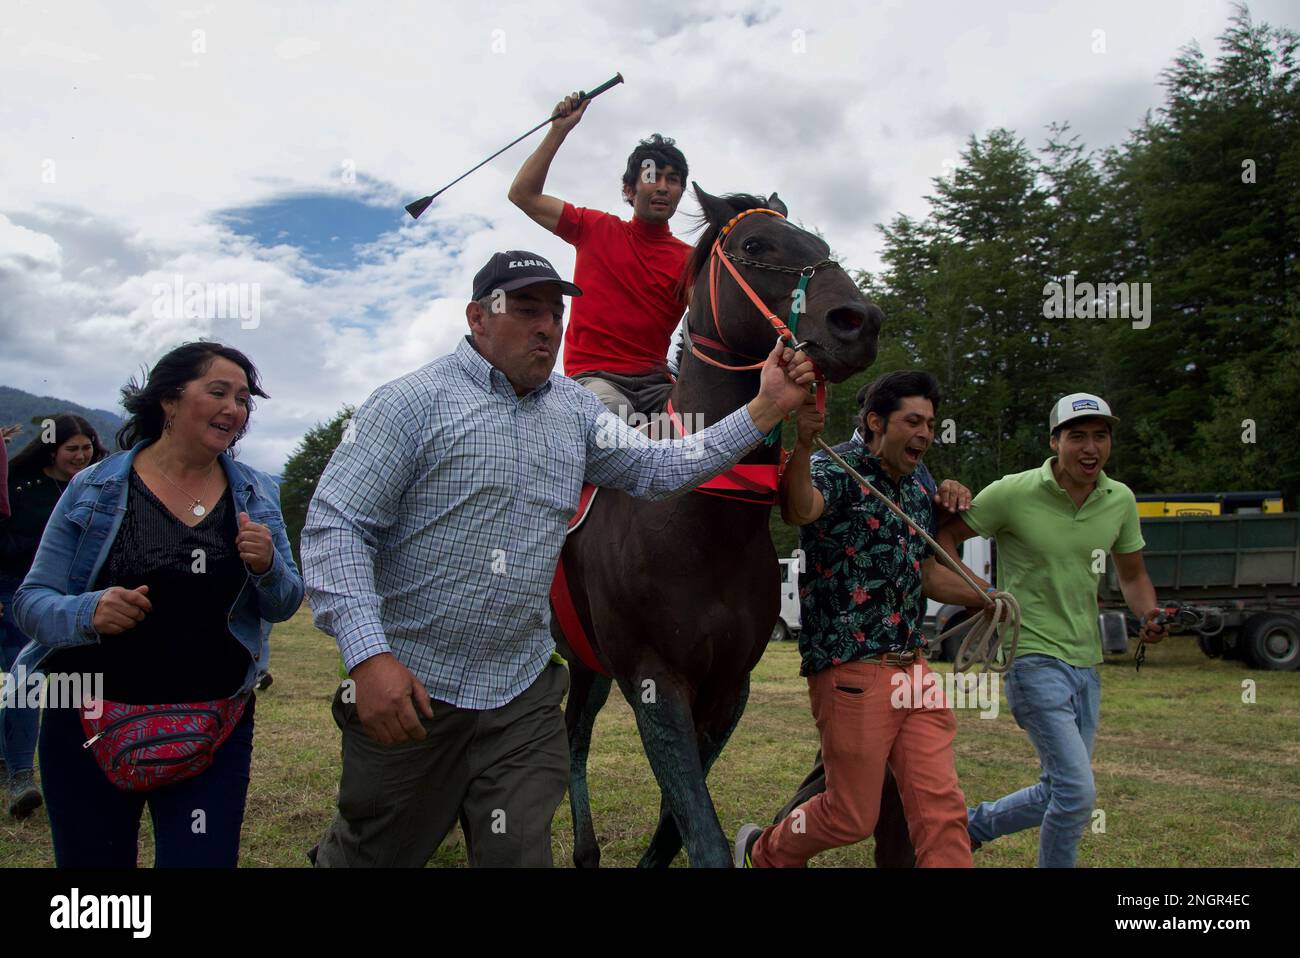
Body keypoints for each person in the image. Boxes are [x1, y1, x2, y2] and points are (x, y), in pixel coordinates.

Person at [303, 250, 817, 868]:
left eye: (556, 311)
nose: (548, 325)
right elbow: (336, 527)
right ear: (477, 317)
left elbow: (660, 469)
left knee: (519, 852)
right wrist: (368, 657)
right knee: (374, 853)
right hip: (413, 694)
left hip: (522, 699)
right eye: (526, 310)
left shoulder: (574, 410)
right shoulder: (410, 404)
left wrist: (765, 409)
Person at [13, 342, 303, 867]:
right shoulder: (93, 488)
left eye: (243, 399)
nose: (234, 409)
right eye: (218, 392)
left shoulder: (256, 494)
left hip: (214, 726)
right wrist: (88, 611)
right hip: (87, 724)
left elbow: (283, 604)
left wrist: (268, 566)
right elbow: (31, 603)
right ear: (169, 401)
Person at [735, 371, 989, 868]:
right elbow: (801, 509)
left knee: (943, 810)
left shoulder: (918, 487)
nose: (926, 434)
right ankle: (763, 853)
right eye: (913, 421)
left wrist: (988, 597)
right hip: (852, 669)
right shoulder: (837, 467)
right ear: (876, 421)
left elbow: (928, 574)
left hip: (914, 669)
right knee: (850, 815)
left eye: (932, 424)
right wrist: (804, 445)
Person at [937, 393, 1167, 867]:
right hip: (1032, 656)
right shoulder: (1013, 492)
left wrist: (1148, 616)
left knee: (1059, 789)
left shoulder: (1119, 498)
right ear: (1054, 441)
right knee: (1078, 793)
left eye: (1100, 436)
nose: (1090, 447)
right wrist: (981, 591)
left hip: (1087, 662)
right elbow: (944, 538)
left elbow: (1132, 575)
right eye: (1077, 436)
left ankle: (968, 827)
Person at [509, 92, 691, 420]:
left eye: (673, 180)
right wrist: (559, 129)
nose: (663, 186)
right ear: (629, 190)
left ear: (680, 192)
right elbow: (523, 194)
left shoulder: (692, 261)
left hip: (658, 385)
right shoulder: (594, 227)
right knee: (614, 419)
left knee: (696, 423)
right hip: (596, 381)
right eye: (652, 177)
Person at [1, 414, 108, 819]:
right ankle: (20, 777)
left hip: (78, 599)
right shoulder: (20, 488)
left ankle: (95, 766)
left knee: (74, 688)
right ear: (51, 449)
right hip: (18, 593)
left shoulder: (101, 487)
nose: (81, 456)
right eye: (72, 449)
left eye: (86, 448)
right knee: (24, 682)